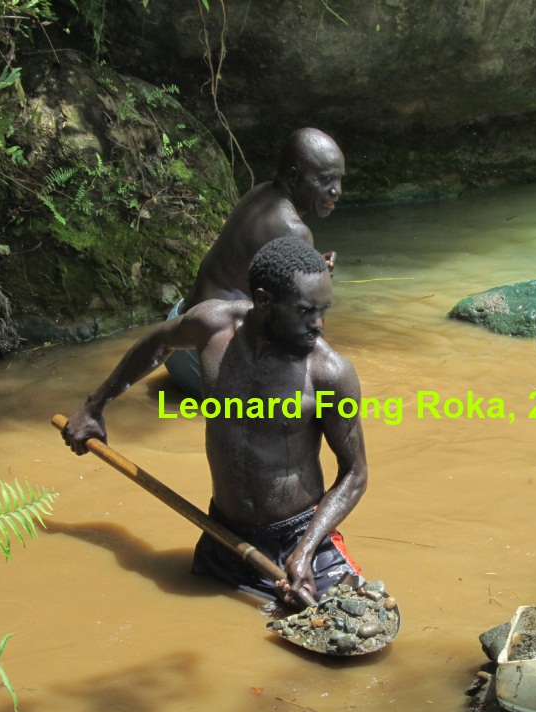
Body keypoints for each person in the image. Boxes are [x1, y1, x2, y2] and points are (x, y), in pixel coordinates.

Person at [63, 237, 366, 607]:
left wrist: (304, 550)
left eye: (324, 309)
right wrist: (94, 407)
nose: (318, 324)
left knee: (343, 626)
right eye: (304, 311)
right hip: (222, 535)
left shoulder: (330, 374)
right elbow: (157, 343)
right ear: (264, 300)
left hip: (300, 539)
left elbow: (354, 474)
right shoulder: (212, 327)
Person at [165, 128, 345, 397]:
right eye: (326, 180)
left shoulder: (260, 193)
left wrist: (311, 265)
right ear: (294, 176)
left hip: (177, 329)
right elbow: (298, 324)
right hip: (203, 359)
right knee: (311, 396)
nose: (337, 191)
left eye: (340, 180)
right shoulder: (294, 230)